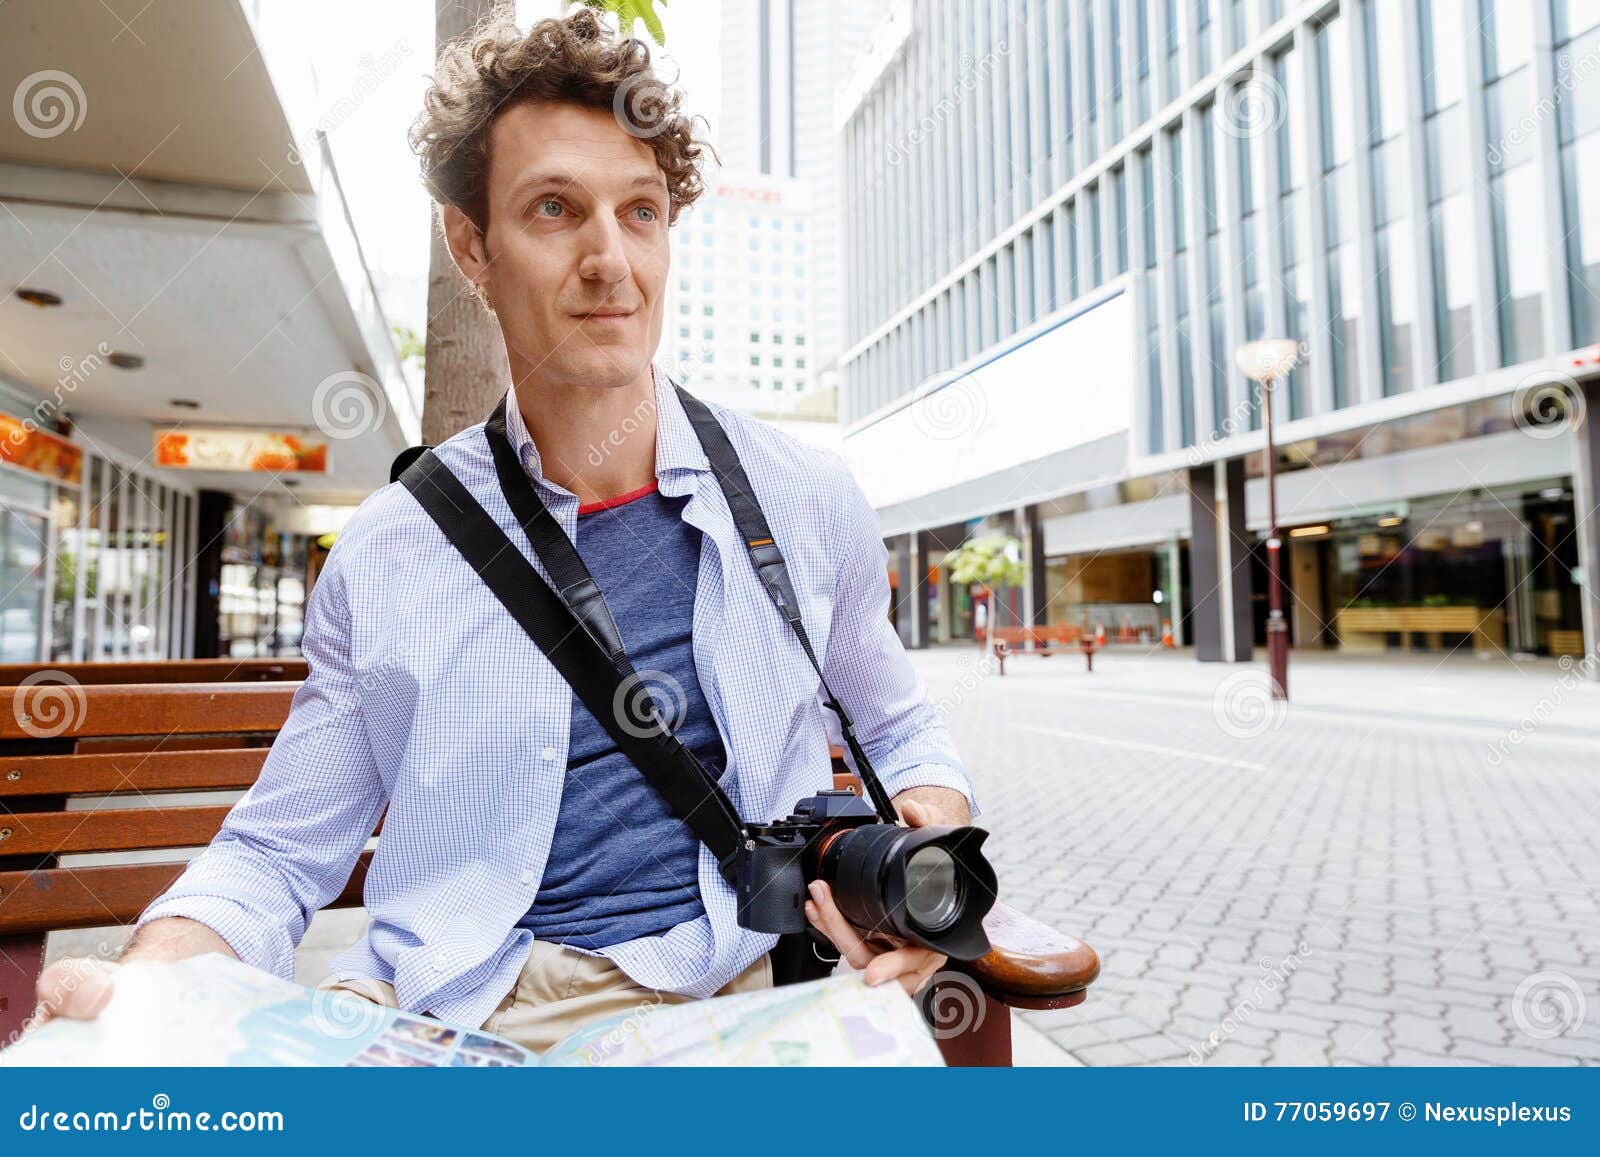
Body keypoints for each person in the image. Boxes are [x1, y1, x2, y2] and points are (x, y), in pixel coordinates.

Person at [33, 9, 977, 1054]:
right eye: (554, 209)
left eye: (641, 210)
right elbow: (276, 852)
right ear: (472, 246)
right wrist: (148, 982)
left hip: (746, 995)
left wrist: (918, 866)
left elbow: (902, 734)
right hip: (464, 1014)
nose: (609, 259)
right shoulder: (390, 553)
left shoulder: (802, 496)